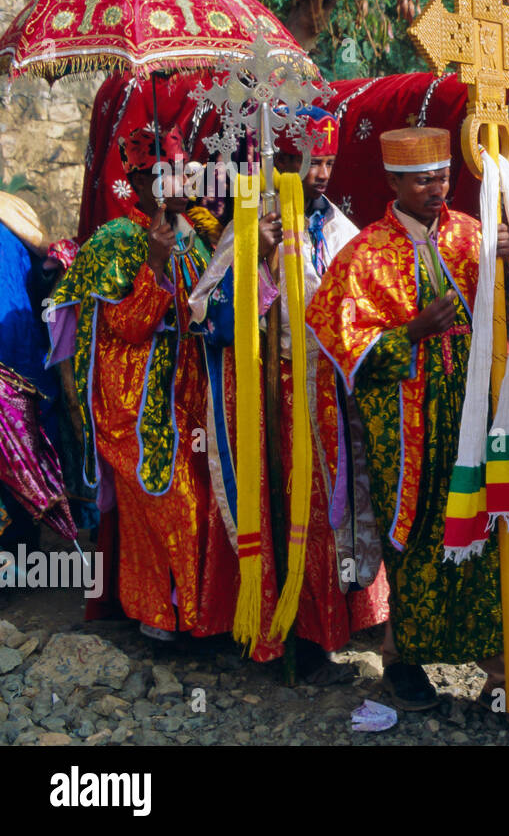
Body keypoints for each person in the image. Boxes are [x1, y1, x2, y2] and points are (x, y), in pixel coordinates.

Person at [306, 126, 509, 730]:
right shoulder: (365, 252)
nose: (436, 189)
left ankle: (503, 673)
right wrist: (413, 332)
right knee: (420, 542)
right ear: (392, 182)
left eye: (442, 176)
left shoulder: (476, 234)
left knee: (489, 533)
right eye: (422, 179)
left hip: (481, 414)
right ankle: (402, 657)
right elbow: (338, 341)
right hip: (408, 428)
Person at [189, 107, 388, 674]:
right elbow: (207, 313)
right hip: (266, 394)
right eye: (309, 160)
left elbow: (360, 299)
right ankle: (268, 628)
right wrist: (258, 261)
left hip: (323, 392)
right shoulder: (251, 223)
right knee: (271, 501)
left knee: (325, 508)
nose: (321, 173)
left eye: (327, 160)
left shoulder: (340, 228)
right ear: (283, 161)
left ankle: (319, 628)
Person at [45, 124, 236, 641]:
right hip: (134, 402)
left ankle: (205, 615)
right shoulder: (115, 240)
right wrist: (154, 261)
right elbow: (127, 326)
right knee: (171, 503)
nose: (175, 182)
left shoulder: (196, 236)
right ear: (140, 180)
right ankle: (160, 614)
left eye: (180, 171)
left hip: (191, 399)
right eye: (162, 174)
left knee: (210, 499)